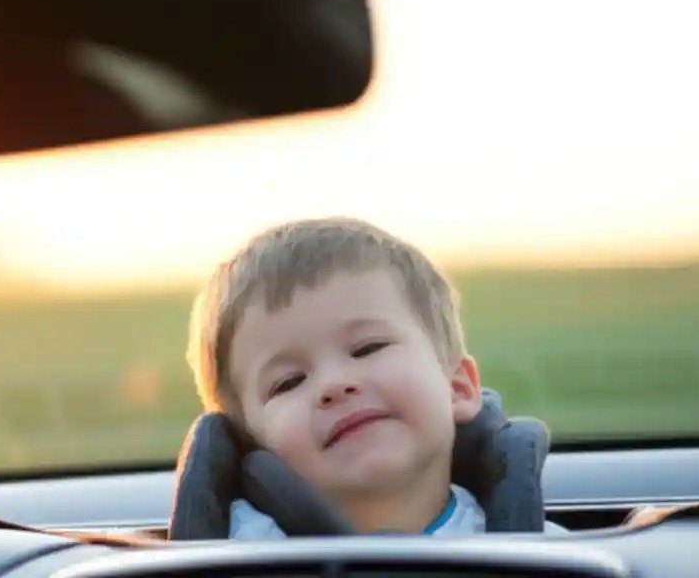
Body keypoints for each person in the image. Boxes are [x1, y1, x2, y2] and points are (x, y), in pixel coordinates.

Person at [182, 217, 561, 538]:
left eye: (368, 349)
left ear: (457, 387)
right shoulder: (228, 563)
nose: (334, 384)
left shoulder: (552, 555)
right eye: (289, 382)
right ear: (249, 445)